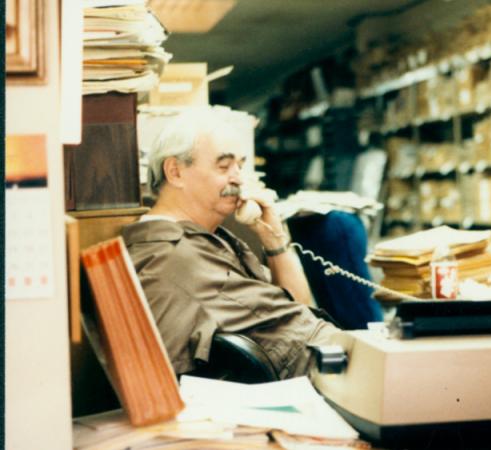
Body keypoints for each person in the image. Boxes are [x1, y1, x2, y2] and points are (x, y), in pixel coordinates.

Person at [122, 109, 339, 380]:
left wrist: (274, 242)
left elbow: (299, 311)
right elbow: (304, 333)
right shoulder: (175, 257)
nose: (238, 178)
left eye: (240, 166)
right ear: (175, 172)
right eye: (223, 167)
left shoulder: (208, 239)